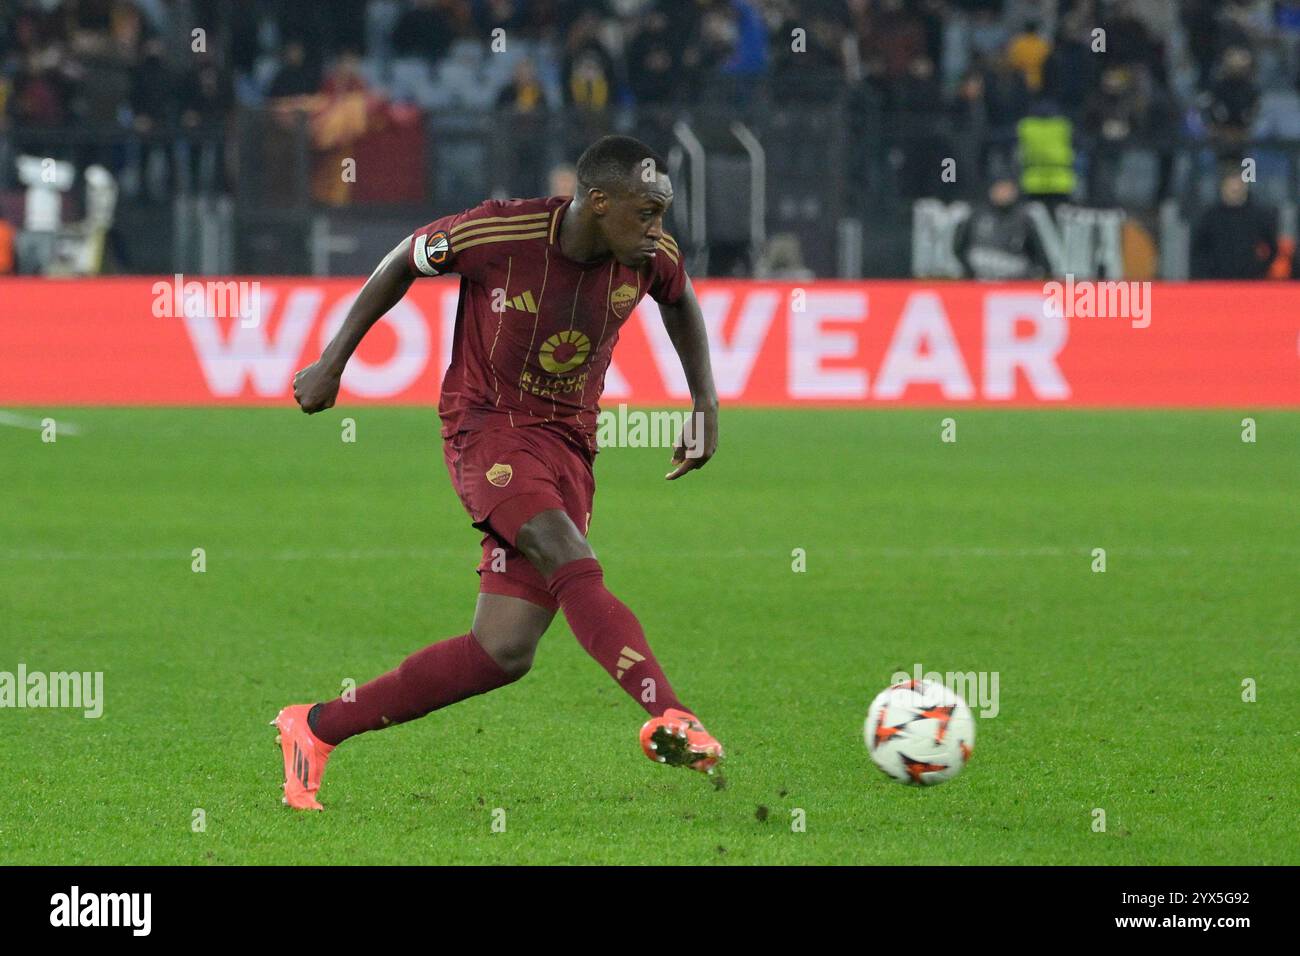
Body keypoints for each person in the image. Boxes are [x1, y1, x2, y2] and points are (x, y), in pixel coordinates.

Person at [274, 136, 724, 810]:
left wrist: (704, 403)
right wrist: (334, 361)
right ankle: (672, 713)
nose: (658, 228)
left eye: (662, 212)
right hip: (488, 427)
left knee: (502, 651)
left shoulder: (650, 256)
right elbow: (404, 259)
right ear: (598, 202)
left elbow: (681, 300)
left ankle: (314, 728)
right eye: (646, 211)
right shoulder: (499, 232)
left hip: (571, 442)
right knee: (568, 555)